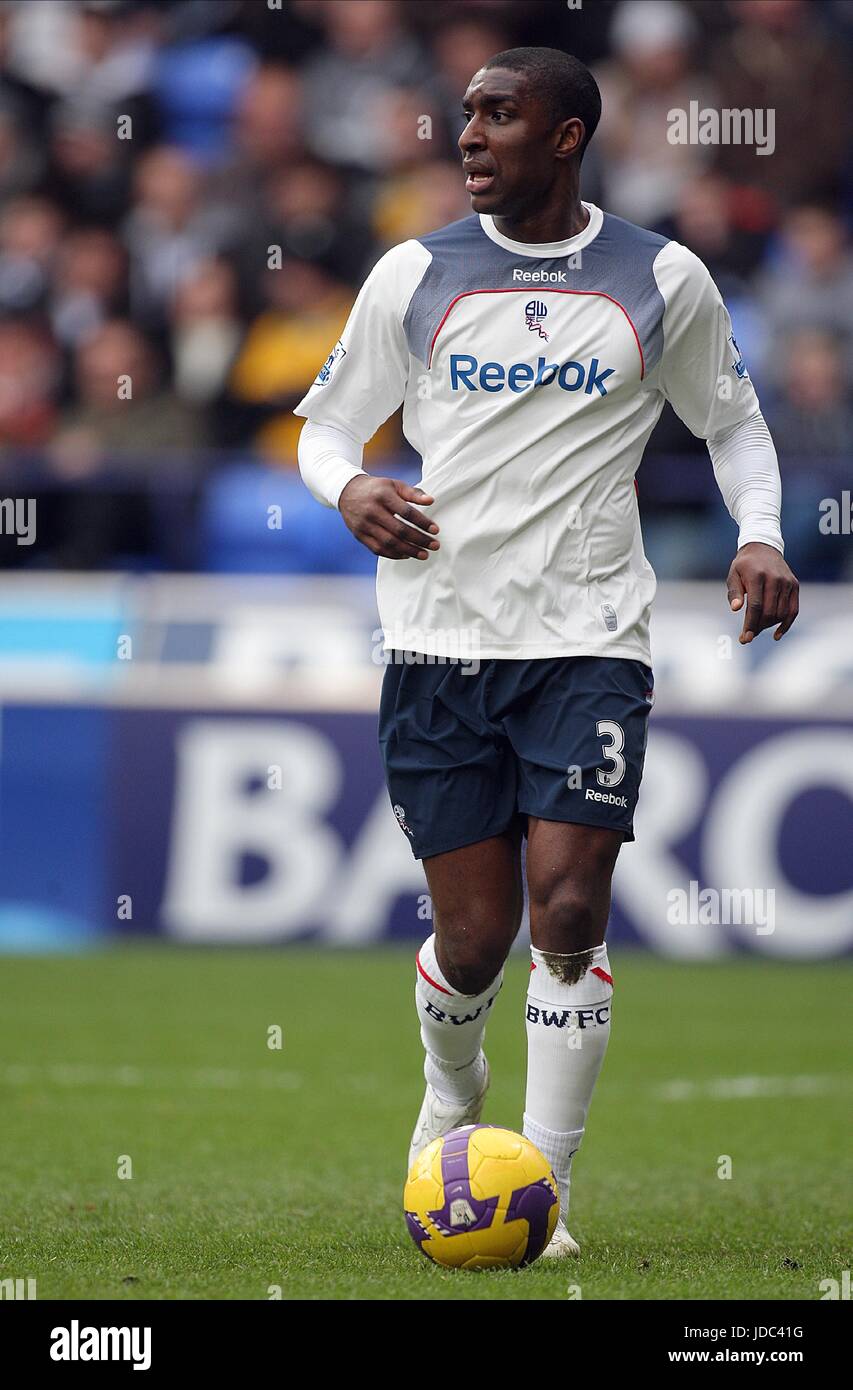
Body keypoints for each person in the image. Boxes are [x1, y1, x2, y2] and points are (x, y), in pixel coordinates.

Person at [294, 47, 799, 1258]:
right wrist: (352, 485)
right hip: (436, 642)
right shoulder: (411, 273)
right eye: (465, 115)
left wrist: (763, 534)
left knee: (567, 907)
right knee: (470, 942)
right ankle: (451, 1092)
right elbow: (320, 426)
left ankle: (546, 1191)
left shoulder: (660, 276)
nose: (466, 134)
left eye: (496, 116)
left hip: (587, 642)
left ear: (564, 137)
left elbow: (734, 424)